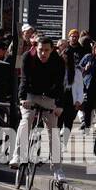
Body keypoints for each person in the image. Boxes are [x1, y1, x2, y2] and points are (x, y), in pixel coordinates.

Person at [10, 36, 65, 180]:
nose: (43, 54)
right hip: (31, 95)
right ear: (36, 48)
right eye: (41, 50)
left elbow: (60, 85)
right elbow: (24, 80)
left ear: (52, 50)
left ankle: (58, 169)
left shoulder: (58, 61)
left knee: (53, 130)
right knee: (26, 120)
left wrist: (59, 106)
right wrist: (22, 99)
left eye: (47, 50)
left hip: (49, 97)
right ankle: (17, 155)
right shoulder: (28, 57)